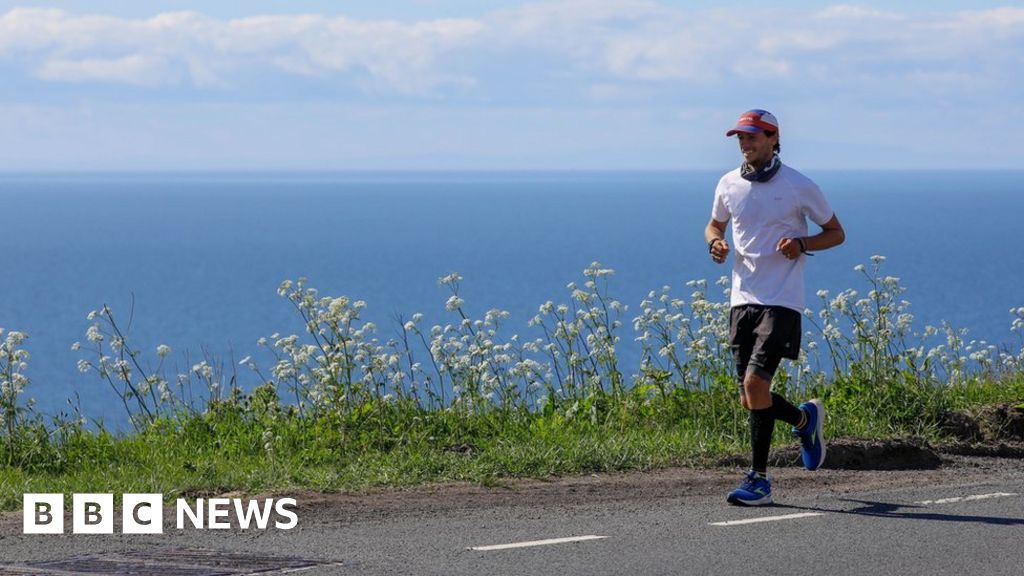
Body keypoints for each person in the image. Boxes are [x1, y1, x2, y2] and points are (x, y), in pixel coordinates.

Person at [705, 109, 845, 506]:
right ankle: (804, 421)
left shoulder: (799, 186)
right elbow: (714, 225)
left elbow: (836, 233)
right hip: (742, 298)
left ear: (773, 138)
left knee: (755, 386)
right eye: (741, 139)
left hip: (782, 299)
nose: (745, 145)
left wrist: (802, 244)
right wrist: (714, 242)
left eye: (752, 137)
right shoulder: (729, 184)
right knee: (750, 397)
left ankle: (759, 480)